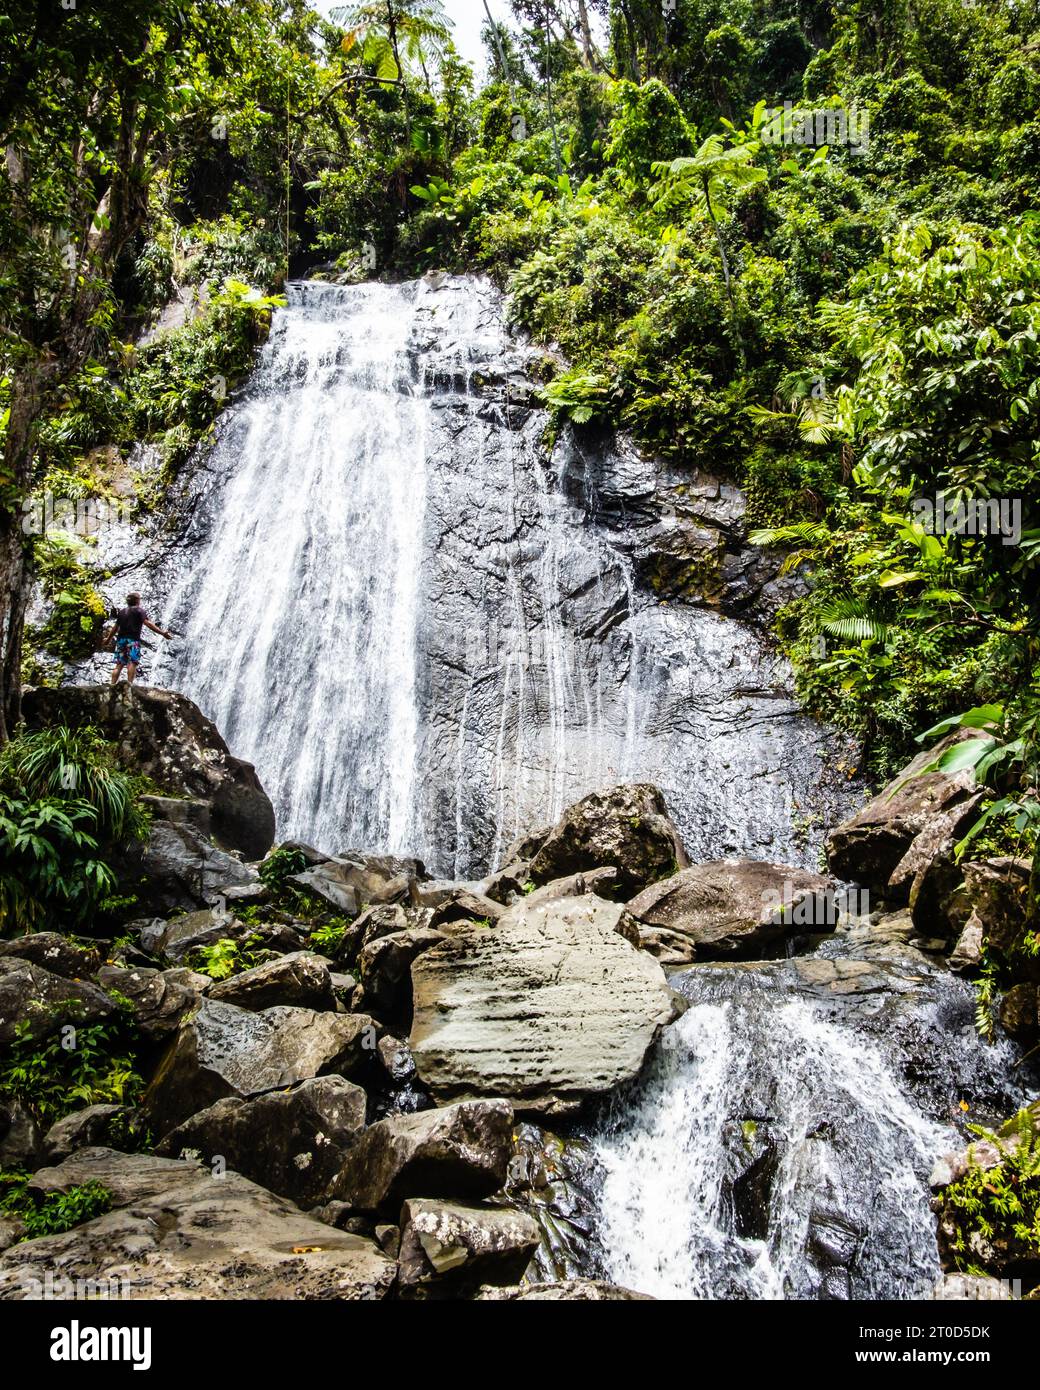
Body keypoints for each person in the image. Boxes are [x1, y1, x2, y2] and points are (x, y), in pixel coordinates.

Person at [107, 593, 171, 686]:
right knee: (132, 663)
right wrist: (162, 633)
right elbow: (148, 624)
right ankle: (129, 685)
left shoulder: (122, 612)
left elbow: (115, 628)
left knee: (119, 664)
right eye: (139, 599)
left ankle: (112, 685)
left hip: (121, 640)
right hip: (133, 641)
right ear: (137, 600)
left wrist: (108, 639)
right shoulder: (139, 611)